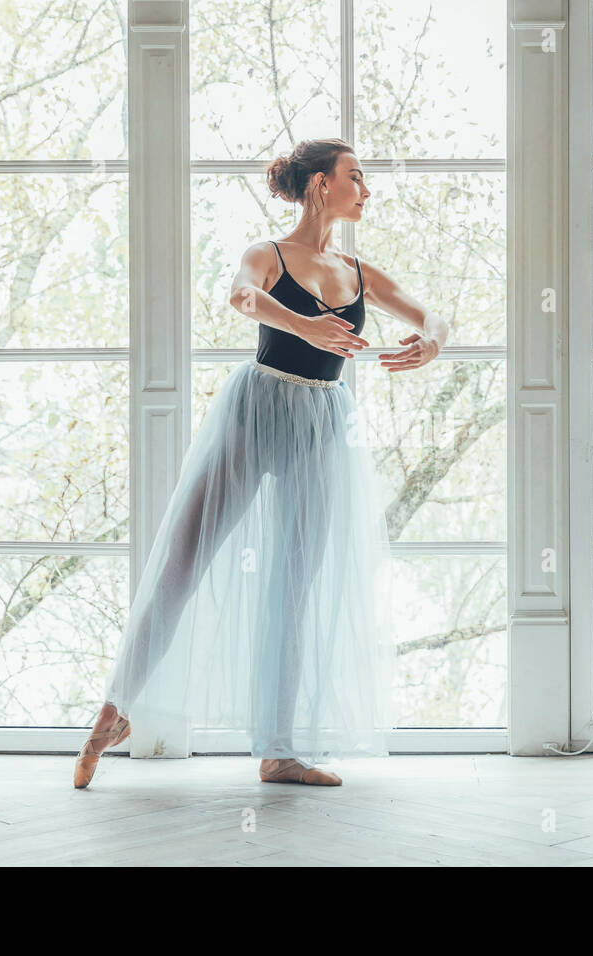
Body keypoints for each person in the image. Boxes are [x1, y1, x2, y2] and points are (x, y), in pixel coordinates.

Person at [74, 137, 449, 788]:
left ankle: (278, 751)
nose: (367, 189)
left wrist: (433, 340)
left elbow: (430, 310)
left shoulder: (359, 272)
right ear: (318, 186)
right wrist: (305, 327)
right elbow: (242, 298)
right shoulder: (269, 255)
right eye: (355, 176)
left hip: (322, 425)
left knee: (295, 587)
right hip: (256, 412)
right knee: (181, 566)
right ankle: (115, 710)